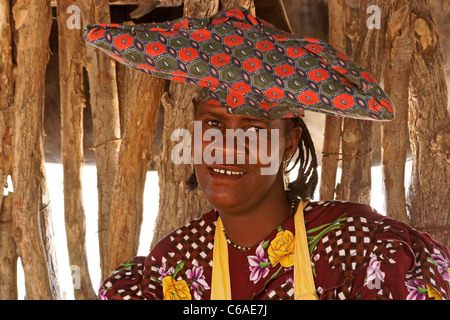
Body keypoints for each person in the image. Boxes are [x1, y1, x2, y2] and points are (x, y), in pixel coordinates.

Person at [85, 8, 450, 300]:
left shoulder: (356, 249)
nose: (227, 146)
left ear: (288, 143)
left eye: (254, 129)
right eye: (212, 124)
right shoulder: (173, 266)